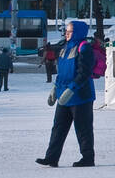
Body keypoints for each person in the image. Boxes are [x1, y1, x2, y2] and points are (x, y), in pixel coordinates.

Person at [37, 20, 96, 167]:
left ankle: (88, 158)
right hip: (64, 96)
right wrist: (55, 88)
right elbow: (62, 72)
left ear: (77, 32)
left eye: (70, 31)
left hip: (80, 96)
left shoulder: (85, 48)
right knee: (58, 128)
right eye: (66, 31)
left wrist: (72, 88)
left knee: (83, 128)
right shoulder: (64, 48)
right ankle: (51, 157)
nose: (67, 34)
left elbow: (84, 72)